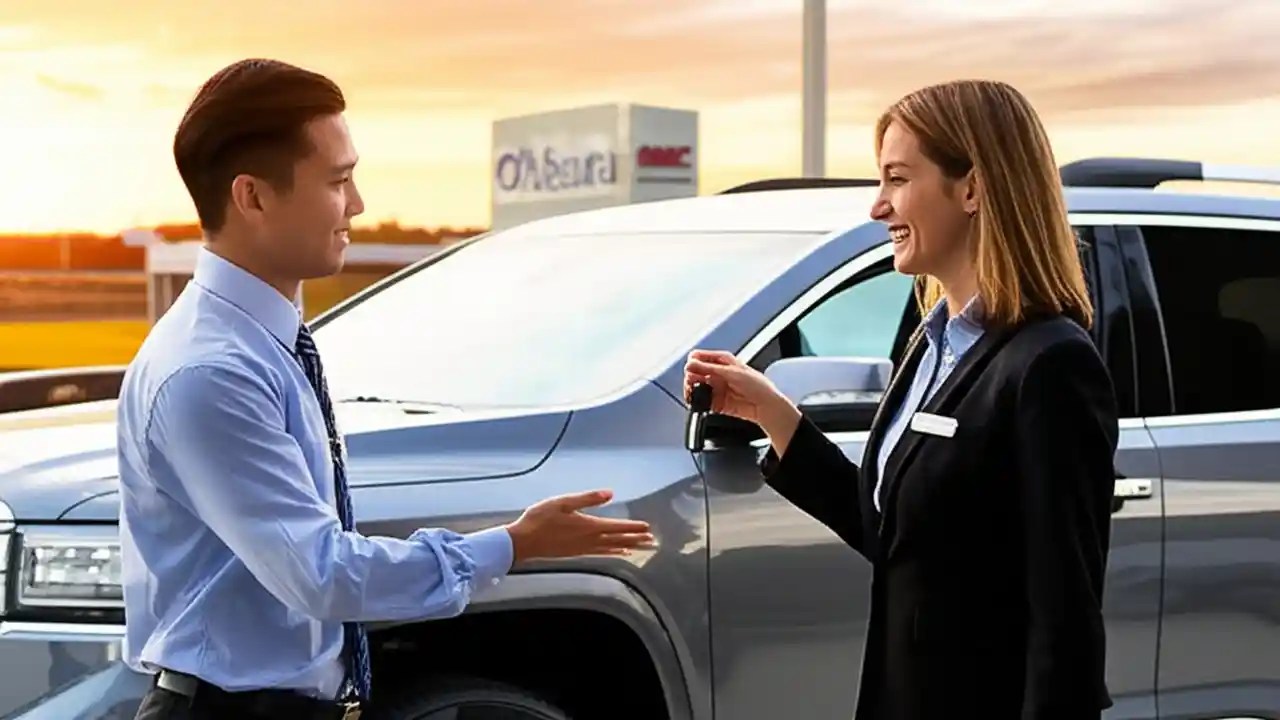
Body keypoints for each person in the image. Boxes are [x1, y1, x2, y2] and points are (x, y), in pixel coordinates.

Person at [116, 58, 653, 720]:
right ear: (252, 197)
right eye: (337, 180)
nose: (358, 204)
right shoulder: (211, 371)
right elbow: (323, 573)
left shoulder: (264, 345)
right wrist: (512, 545)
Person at [685, 79, 1119, 720]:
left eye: (897, 178)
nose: (877, 206)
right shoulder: (932, 346)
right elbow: (895, 536)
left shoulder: (1050, 364)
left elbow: (1066, 619)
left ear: (972, 189)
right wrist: (772, 415)